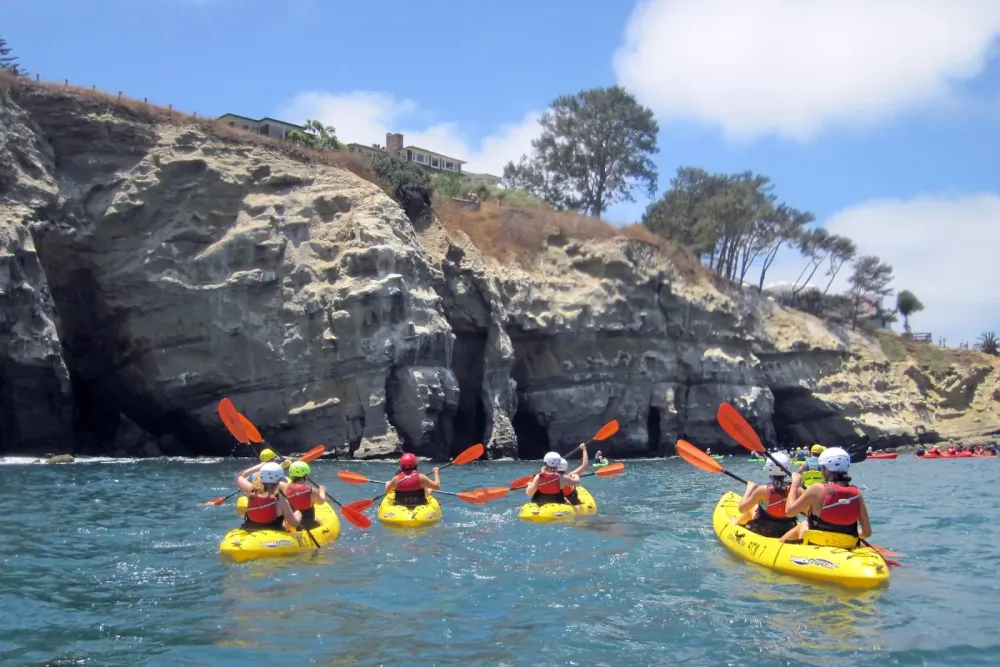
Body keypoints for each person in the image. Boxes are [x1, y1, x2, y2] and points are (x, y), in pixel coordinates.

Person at [782, 447, 872, 544]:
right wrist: (845, 537)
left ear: (826, 469)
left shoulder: (817, 489)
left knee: (803, 524)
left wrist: (794, 485)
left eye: (822, 468)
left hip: (818, 543)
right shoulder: (857, 493)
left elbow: (789, 512)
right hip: (846, 545)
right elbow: (867, 533)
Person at [737, 452, 799, 539]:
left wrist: (750, 488)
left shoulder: (763, 490)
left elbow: (742, 509)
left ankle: (737, 525)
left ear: (768, 468)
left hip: (766, 530)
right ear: (787, 467)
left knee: (752, 508)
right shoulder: (796, 489)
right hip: (788, 529)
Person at [235, 461, 300, 532]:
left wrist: (257, 468)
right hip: (273, 535)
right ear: (280, 480)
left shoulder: (251, 490)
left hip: (250, 532)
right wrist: (298, 513)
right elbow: (295, 523)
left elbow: (239, 477)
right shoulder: (281, 499)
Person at [280, 461, 326, 529]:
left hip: (290, 522)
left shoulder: (283, 486)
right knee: (318, 521)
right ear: (306, 476)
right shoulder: (312, 490)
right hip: (307, 524)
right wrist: (322, 491)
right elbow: (321, 502)